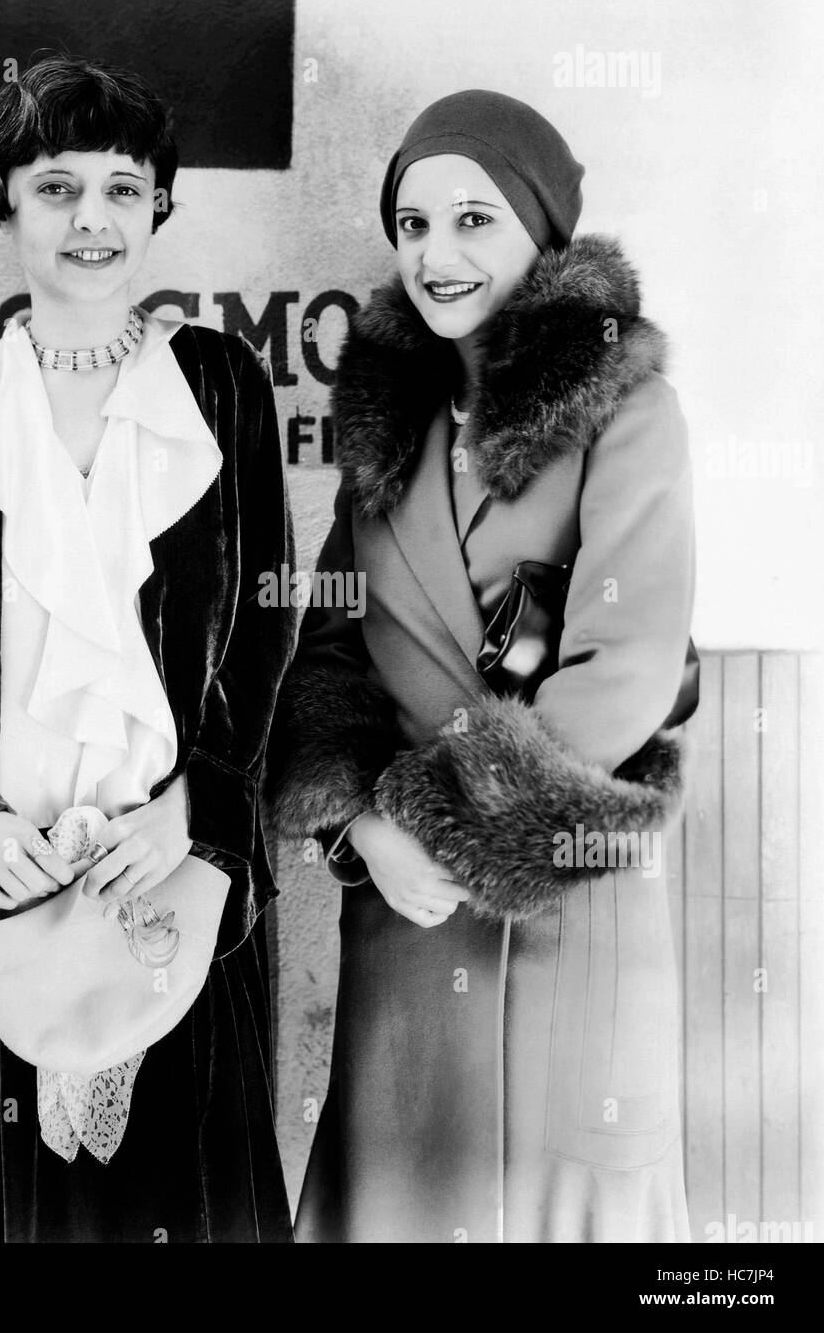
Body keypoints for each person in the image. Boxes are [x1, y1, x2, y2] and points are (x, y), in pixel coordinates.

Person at [0, 56, 295, 1243]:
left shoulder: (222, 382)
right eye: (55, 187)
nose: (91, 218)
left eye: (122, 186)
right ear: (0, 204)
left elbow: (265, 624)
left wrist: (198, 813)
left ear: (159, 203)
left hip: (177, 885)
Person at [266, 90, 697, 1243]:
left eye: (471, 219)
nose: (433, 252)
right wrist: (359, 827)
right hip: (405, 922)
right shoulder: (385, 425)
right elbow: (328, 653)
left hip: (567, 896)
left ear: (540, 232)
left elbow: (629, 663)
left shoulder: (627, 407)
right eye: (411, 222)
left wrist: (439, 823)